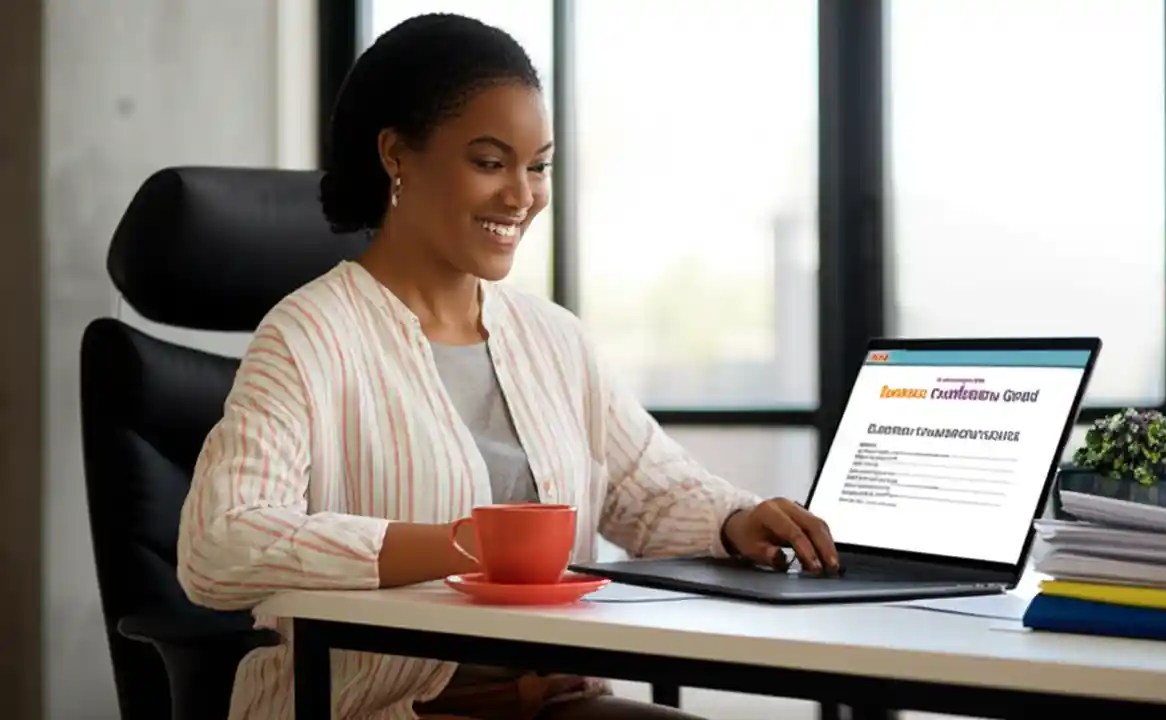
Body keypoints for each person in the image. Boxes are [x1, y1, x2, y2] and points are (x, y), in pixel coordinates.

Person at [175, 12, 840, 720]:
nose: (522, 196)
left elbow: (650, 493)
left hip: (558, 703)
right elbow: (221, 542)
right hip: (381, 710)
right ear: (397, 156)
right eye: (490, 163)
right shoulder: (308, 336)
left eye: (538, 166)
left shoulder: (552, 339)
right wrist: (461, 545)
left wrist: (737, 520)